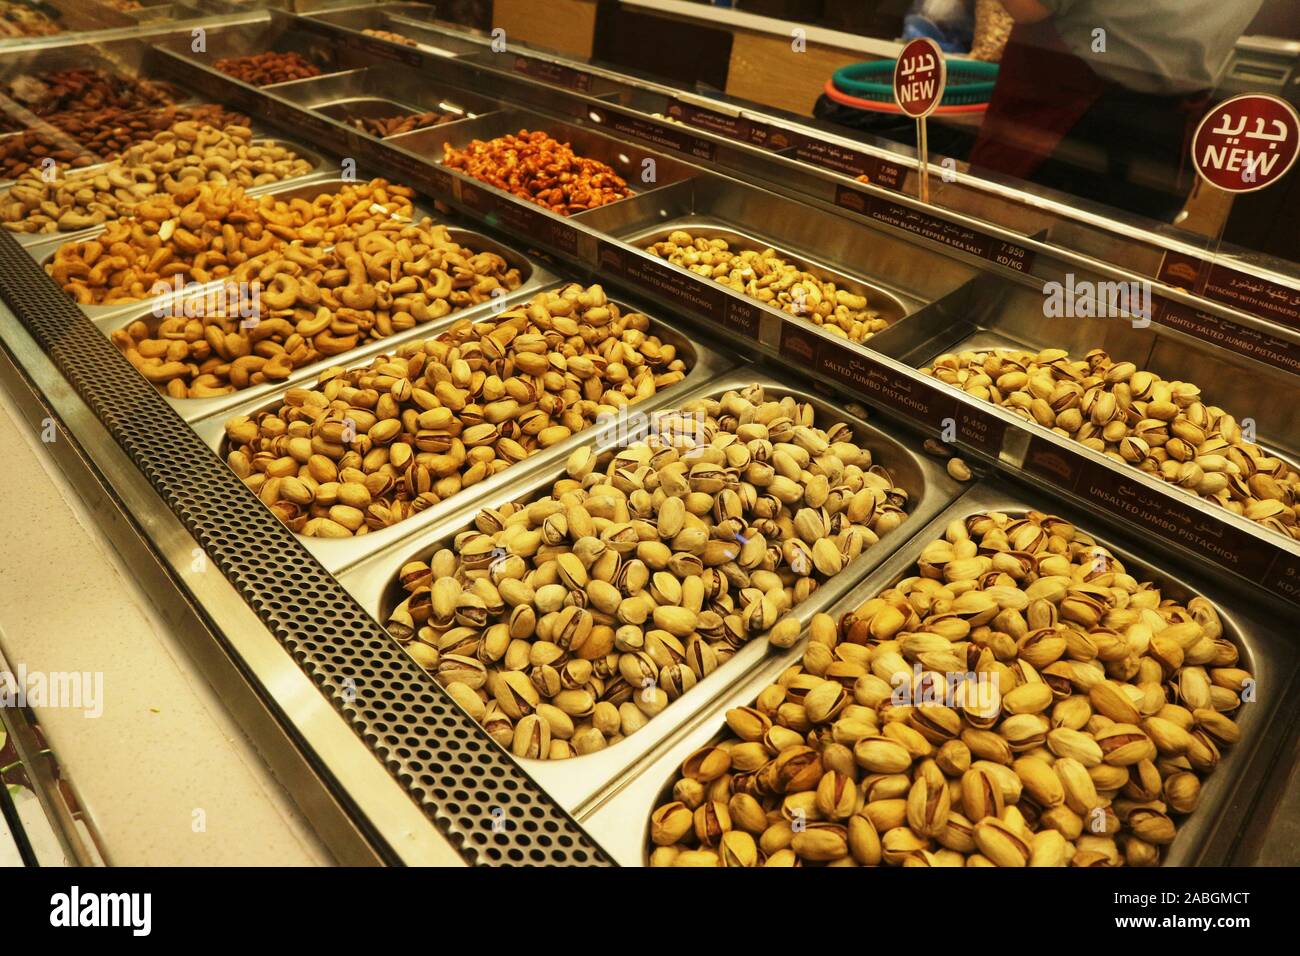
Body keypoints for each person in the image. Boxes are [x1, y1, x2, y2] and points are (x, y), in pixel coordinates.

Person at [967, 0, 1265, 221]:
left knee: (1006, 259)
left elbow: (1028, 6)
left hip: (1069, 121)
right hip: (1166, 130)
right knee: (1110, 283)